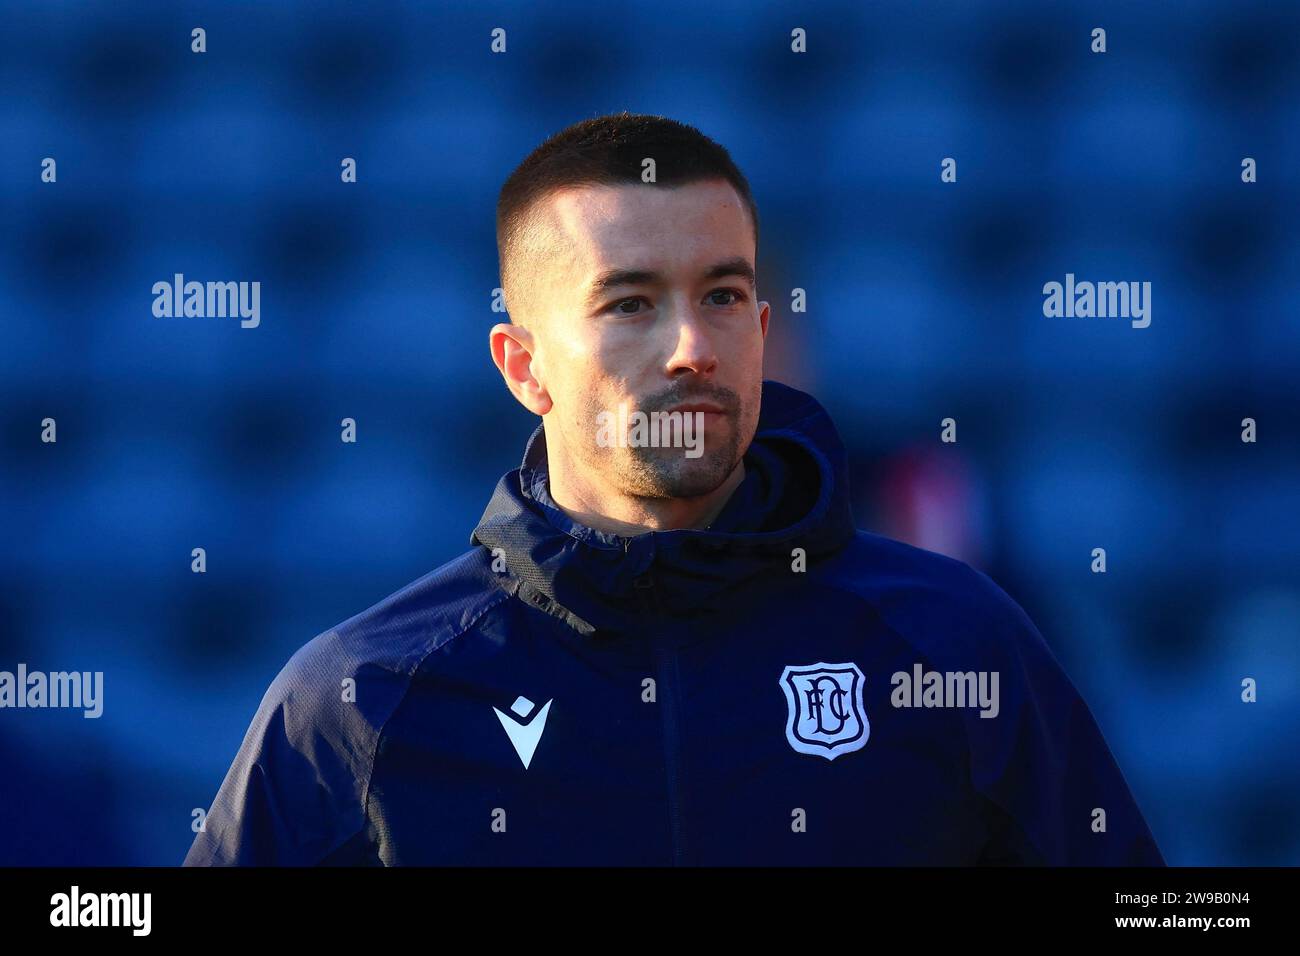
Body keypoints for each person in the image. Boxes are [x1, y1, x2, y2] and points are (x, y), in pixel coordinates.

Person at [184, 112, 1164, 866]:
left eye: (723, 297)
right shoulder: (360, 701)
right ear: (523, 366)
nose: (692, 347)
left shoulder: (957, 640)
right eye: (629, 303)